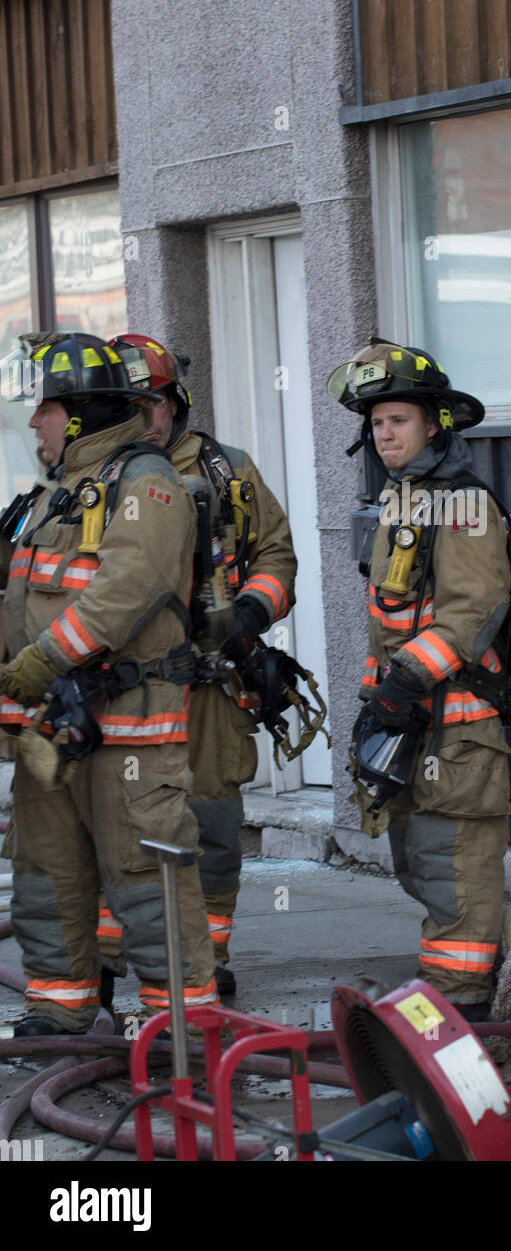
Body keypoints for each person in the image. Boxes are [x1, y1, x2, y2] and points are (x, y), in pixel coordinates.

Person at [0, 332, 216, 1035]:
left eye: (47, 408)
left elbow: (130, 587)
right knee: (46, 870)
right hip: (53, 734)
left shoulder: (147, 485)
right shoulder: (52, 496)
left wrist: (42, 663)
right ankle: (59, 1011)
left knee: (145, 878)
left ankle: (178, 1029)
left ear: (85, 413)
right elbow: (20, 607)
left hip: (131, 730)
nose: (35, 421)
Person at [98, 334, 298, 999]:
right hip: (125, 688)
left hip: (212, 688)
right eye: (125, 405)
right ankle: (105, 957)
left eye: (149, 403)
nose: (140, 416)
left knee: (211, 827)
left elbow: (276, 556)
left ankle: (207, 957)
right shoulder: (96, 479)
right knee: (121, 822)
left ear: (175, 403)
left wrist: (247, 616)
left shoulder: (227, 471)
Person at [327, 338, 511, 1020]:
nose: (384, 434)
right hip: (412, 722)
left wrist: (405, 679)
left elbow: (476, 608)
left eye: (398, 420)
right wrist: (386, 697)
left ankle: (463, 1008)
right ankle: (449, 998)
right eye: (376, 424)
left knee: (452, 868)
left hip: (459, 729)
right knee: (418, 865)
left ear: (434, 423)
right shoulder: (403, 500)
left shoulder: (461, 503)